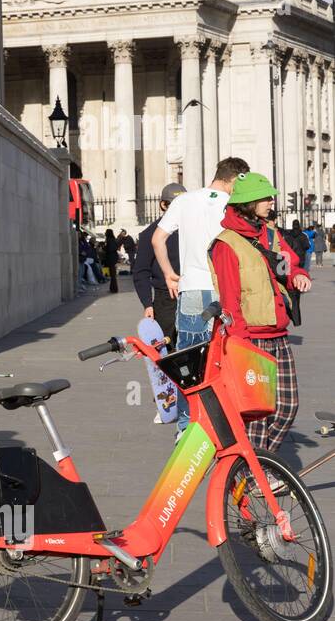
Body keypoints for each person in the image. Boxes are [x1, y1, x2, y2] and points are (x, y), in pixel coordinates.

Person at [208, 173, 311, 452]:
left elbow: (288, 265)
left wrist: (297, 276)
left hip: (278, 333)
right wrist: (241, 346)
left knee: (287, 406)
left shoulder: (270, 233)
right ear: (248, 203)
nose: (271, 201)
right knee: (257, 415)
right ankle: (254, 476)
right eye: (265, 197)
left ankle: (262, 461)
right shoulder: (226, 244)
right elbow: (230, 301)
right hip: (251, 338)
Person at [153, 156, 250, 434]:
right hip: (223, 290)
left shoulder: (184, 201)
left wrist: (170, 273)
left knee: (188, 365)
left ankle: (186, 430)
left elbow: (157, 238)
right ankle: (222, 428)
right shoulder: (232, 206)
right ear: (233, 180)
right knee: (224, 362)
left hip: (192, 287)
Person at [133, 183, 185, 351]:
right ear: (164, 205)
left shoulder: (192, 229)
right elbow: (141, 272)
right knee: (166, 349)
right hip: (166, 300)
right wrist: (147, 303)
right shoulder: (150, 233)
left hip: (193, 294)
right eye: (175, 204)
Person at [103, 229, 120, 293]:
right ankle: (112, 288)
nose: (105, 233)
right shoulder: (112, 239)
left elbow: (110, 249)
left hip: (111, 258)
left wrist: (105, 248)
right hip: (113, 258)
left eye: (106, 232)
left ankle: (114, 289)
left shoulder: (110, 240)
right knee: (112, 275)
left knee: (113, 275)